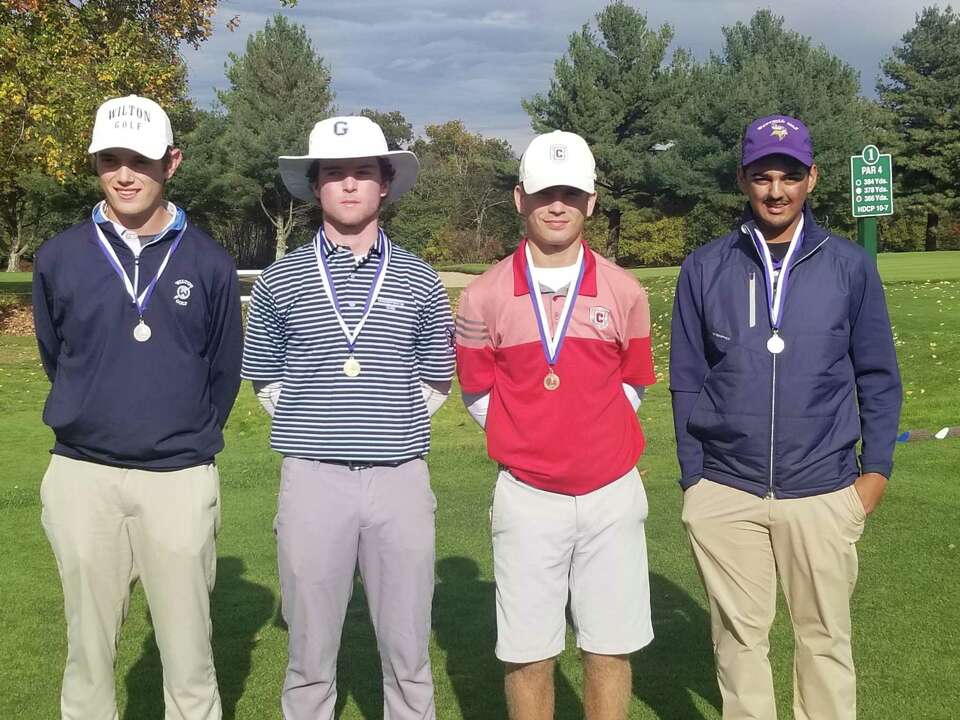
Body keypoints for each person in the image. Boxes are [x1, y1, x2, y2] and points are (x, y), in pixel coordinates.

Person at [669, 114, 902, 720]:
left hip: (823, 488)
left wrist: (872, 473)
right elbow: (688, 378)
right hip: (726, 488)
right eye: (763, 176)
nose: (777, 190)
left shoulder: (849, 265)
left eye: (790, 176)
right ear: (742, 179)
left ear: (812, 178)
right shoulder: (705, 266)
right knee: (739, 643)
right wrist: (695, 478)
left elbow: (878, 375)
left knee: (824, 641)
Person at [32, 94, 243, 720]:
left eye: (141, 161)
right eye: (110, 160)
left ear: (171, 162)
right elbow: (56, 354)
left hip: (178, 478)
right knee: (88, 657)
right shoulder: (60, 256)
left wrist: (178, 433)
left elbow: (222, 372)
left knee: (189, 658)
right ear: (96, 164)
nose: (125, 175)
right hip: (81, 476)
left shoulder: (209, 262)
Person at [241, 115, 455, 720]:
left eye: (363, 172)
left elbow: (436, 376)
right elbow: (265, 375)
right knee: (309, 648)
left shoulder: (419, 276)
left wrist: (388, 422)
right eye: (334, 174)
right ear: (315, 188)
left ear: (385, 183)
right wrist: (320, 423)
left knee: (408, 646)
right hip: (313, 477)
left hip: (399, 476)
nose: (350, 185)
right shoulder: (281, 278)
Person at [455, 130, 657, 720]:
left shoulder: (625, 291)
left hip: (612, 492)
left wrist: (590, 438)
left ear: (591, 202)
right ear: (521, 198)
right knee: (528, 653)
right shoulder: (483, 295)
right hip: (526, 496)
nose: (558, 204)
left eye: (571, 192)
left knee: (609, 648)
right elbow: (476, 391)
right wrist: (531, 442)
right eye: (546, 192)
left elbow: (633, 385)